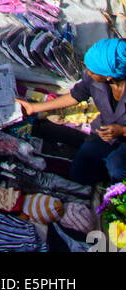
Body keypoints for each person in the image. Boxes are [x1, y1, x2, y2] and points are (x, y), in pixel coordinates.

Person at [16, 39, 126, 185]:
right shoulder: (94, 78)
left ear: (109, 75)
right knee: (80, 172)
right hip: (106, 133)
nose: (88, 72)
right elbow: (77, 95)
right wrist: (34, 107)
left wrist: (122, 130)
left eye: (92, 71)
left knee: (116, 166)